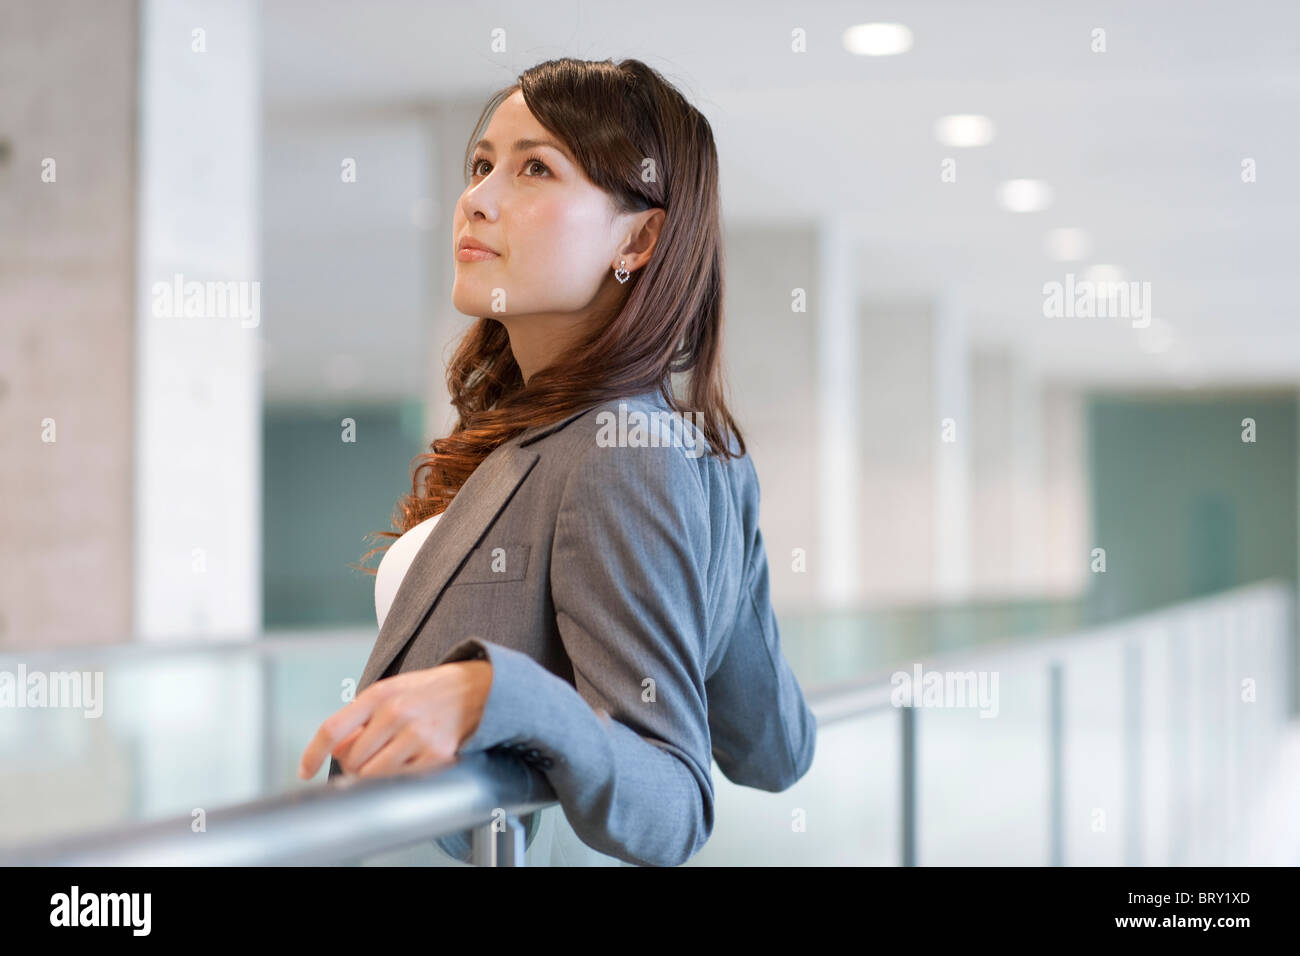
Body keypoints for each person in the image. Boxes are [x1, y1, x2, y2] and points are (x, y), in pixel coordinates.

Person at [298, 56, 816, 868]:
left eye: (535, 167)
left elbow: (676, 802)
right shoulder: (651, 445)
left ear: (639, 237)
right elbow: (774, 745)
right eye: (481, 165)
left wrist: (498, 694)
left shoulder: (621, 453)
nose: (478, 197)